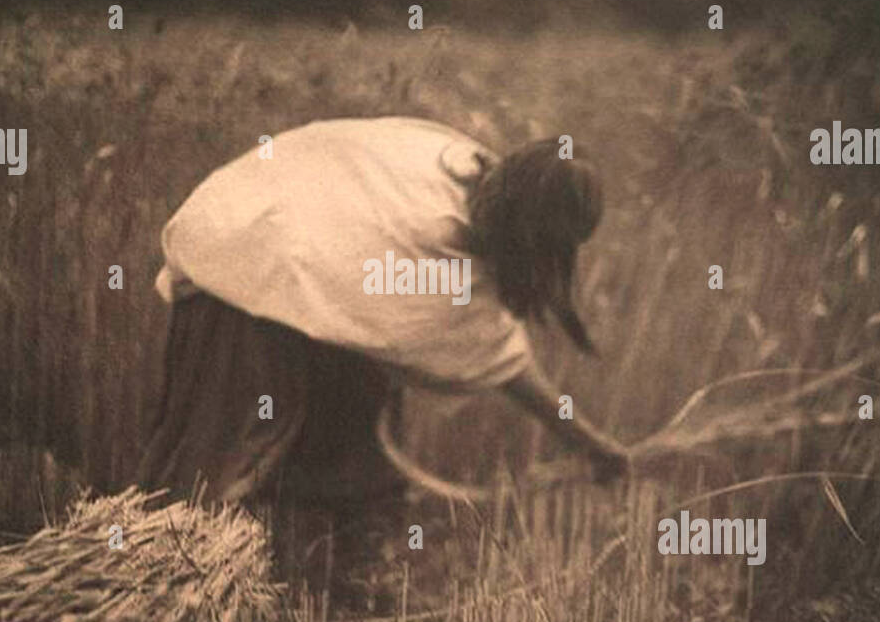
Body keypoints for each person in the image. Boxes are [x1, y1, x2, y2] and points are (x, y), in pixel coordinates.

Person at [135, 117, 630, 565]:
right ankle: (168, 578)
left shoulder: (468, 170)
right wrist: (591, 444)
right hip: (244, 258)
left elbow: (498, 351)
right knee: (219, 466)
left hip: (264, 228)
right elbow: (505, 364)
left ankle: (317, 574)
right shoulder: (429, 235)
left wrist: (590, 443)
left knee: (352, 418)